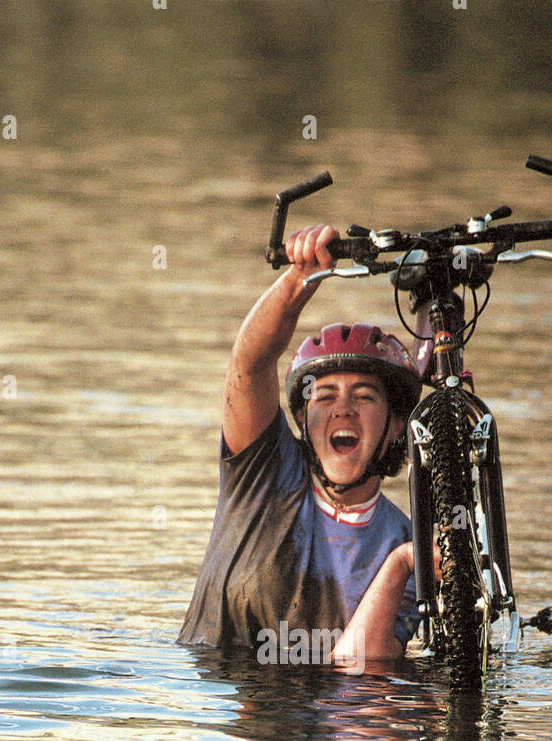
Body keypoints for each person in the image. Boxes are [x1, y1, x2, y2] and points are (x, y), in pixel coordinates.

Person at [177, 222, 424, 666]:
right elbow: (249, 364)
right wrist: (299, 278)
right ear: (303, 421)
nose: (342, 410)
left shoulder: (405, 541)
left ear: (394, 427)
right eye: (324, 396)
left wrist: (401, 565)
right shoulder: (265, 470)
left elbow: (357, 667)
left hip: (331, 714)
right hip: (222, 700)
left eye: (364, 397)